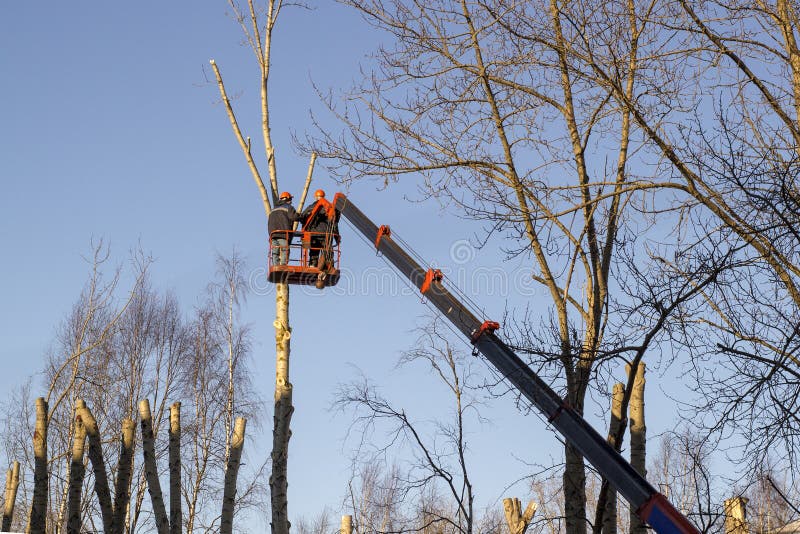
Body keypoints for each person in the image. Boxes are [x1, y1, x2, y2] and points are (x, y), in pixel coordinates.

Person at [301, 189, 340, 270]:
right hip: (327, 234)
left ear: (315, 197)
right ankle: (330, 267)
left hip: (314, 235)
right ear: (323, 196)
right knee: (328, 251)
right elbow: (335, 223)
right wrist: (337, 236)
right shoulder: (330, 207)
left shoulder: (310, 207)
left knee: (314, 252)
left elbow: (302, 218)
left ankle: (312, 266)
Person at [268, 192, 299, 266]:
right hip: (283, 234)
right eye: (290, 199)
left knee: (275, 251)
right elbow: (294, 217)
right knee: (285, 250)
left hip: (273, 234)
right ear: (287, 199)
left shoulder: (273, 209)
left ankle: (276, 265)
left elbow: (269, 223)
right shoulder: (288, 208)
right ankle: (283, 265)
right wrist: (302, 217)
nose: (291, 201)